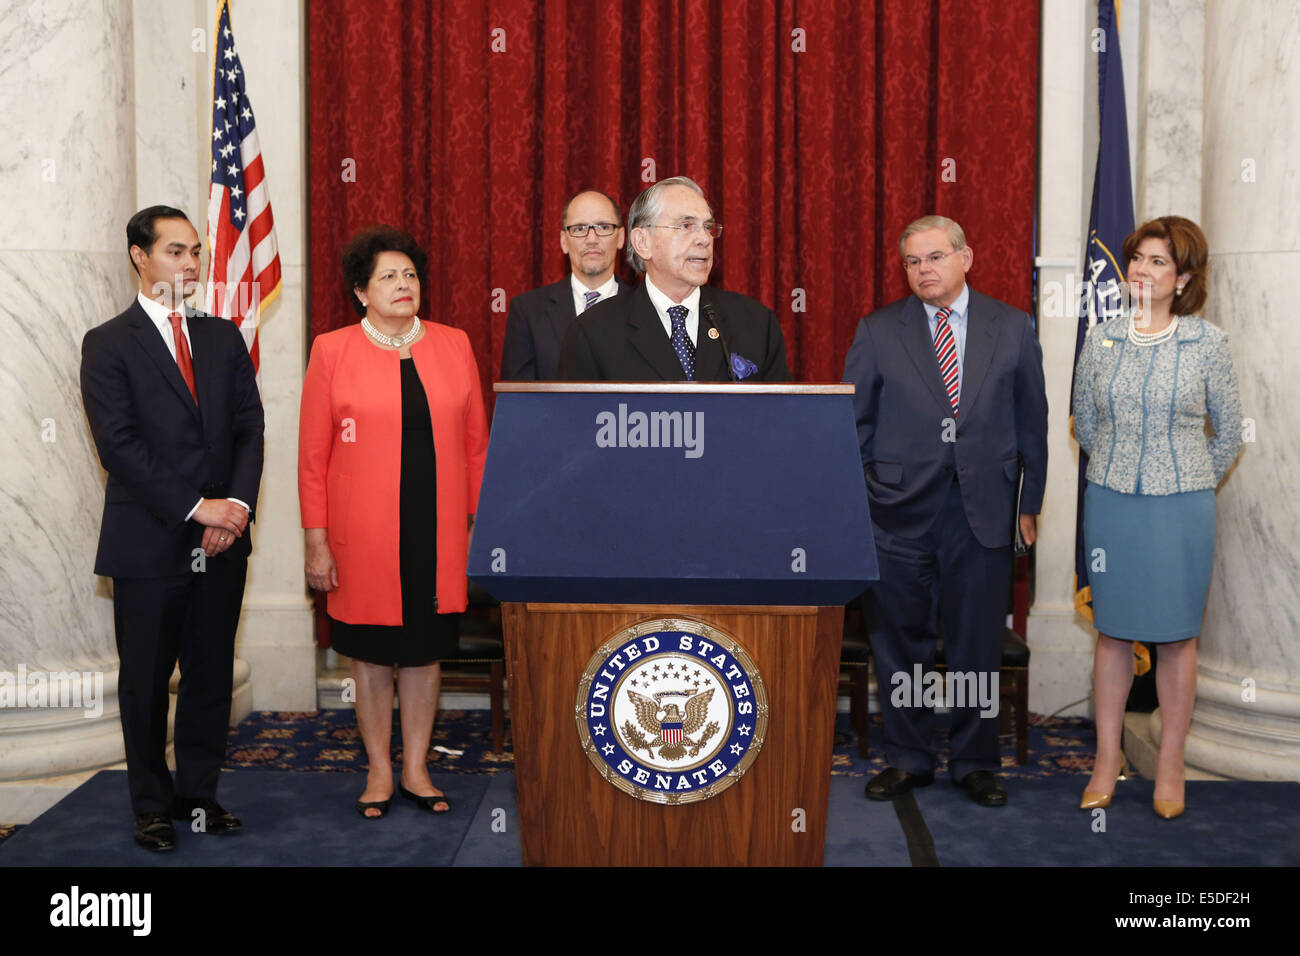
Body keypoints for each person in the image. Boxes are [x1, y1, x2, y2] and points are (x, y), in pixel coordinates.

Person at [843, 215, 1048, 807]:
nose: (923, 270)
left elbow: (1031, 423)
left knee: (975, 643)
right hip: (897, 514)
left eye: (934, 257)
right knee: (899, 641)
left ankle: (976, 761)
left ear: (966, 257)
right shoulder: (879, 331)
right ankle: (908, 757)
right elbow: (852, 428)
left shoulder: (1011, 328)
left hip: (982, 512)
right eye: (912, 261)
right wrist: (861, 505)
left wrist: (1027, 505)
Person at [80, 205, 264, 851]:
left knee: (210, 675)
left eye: (196, 252)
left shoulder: (222, 337)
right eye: (176, 251)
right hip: (150, 543)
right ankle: (152, 807)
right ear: (140, 256)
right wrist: (198, 507)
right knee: (146, 682)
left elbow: (250, 430)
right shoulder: (107, 343)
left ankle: (200, 797)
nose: (190, 264)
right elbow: (121, 447)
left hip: (223, 544)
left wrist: (235, 508)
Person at [299, 226, 488, 819]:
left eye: (410, 274)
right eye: (388, 276)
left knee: (425, 651)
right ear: (361, 291)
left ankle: (417, 767)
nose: (403, 285)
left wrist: (480, 528)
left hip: (437, 531)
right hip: (364, 535)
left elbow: (477, 445)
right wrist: (317, 540)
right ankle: (379, 768)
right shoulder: (332, 350)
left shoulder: (455, 344)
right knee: (373, 653)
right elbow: (313, 455)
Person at [1073, 216, 1242, 820]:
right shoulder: (1102, 338)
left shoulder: (1208, 344)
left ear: (1184, 278)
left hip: (1181, 510)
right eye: (1138, 259)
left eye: (1158, 262)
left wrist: (1188, 476)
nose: (1142, 271)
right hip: (1113, 502)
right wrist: (1120, 468)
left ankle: (1171, 764)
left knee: (1175, 639)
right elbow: (1085, 424)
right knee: (1113, 632)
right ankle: (1105, 759)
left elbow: (1227, 434)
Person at [557, 176, 790, 382]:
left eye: (708, 227)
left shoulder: (757, 323)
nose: (704, 239)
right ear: (643, 242)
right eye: (686, 225)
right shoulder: (592, 332)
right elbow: (578, 426)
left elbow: (781, 420)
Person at [500, 189, 630, 380]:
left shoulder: (645, 308)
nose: (592, 239)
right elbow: (518, 400)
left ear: (620, 238)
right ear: (563, 242)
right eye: (579, 228)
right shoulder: (528, 311)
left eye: (603, 227)